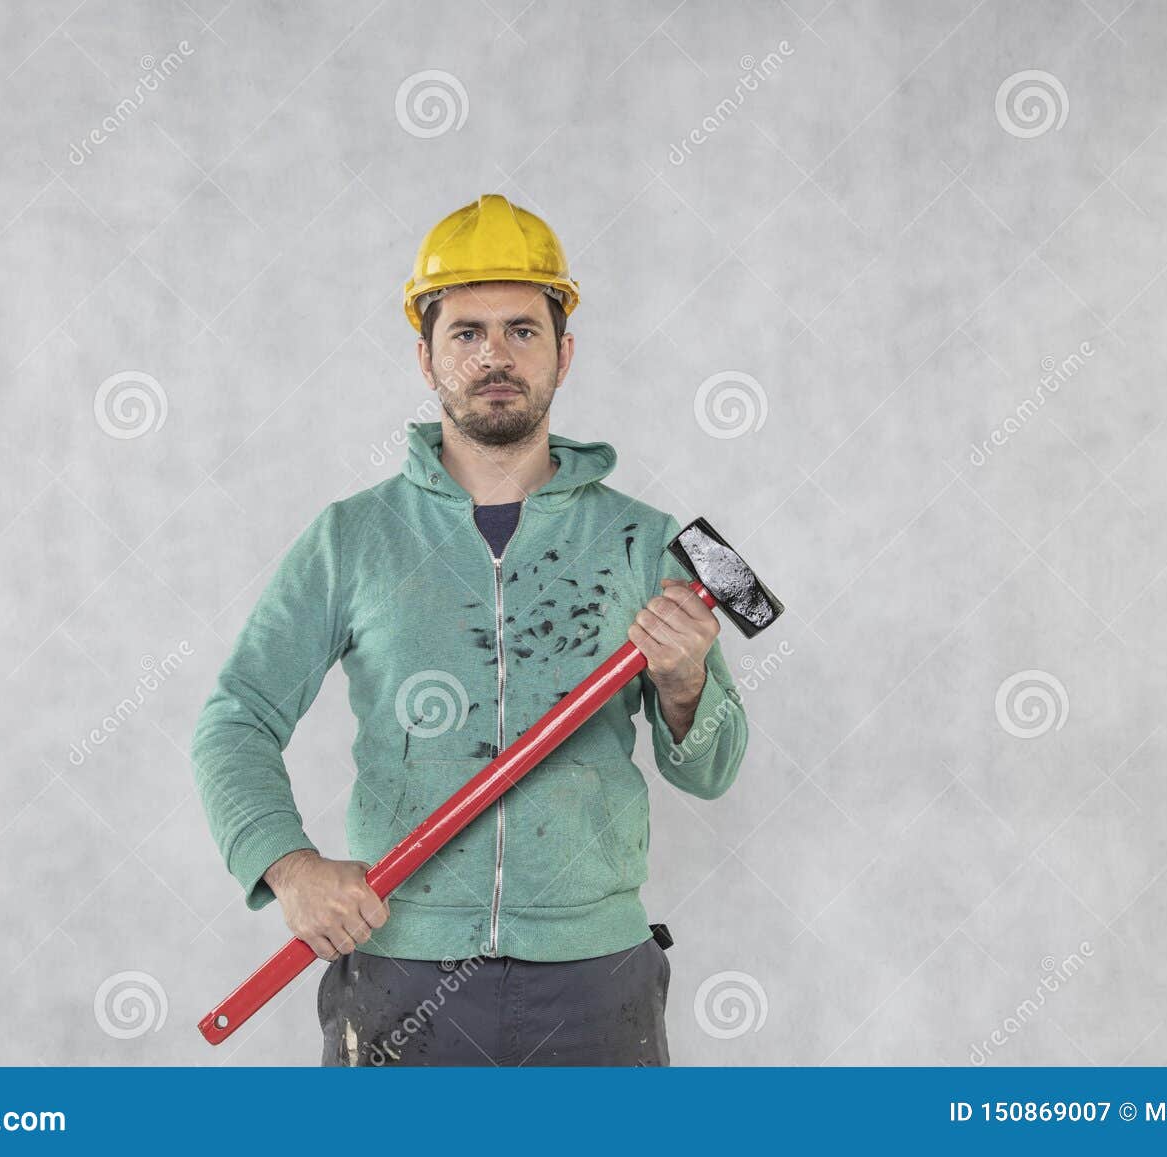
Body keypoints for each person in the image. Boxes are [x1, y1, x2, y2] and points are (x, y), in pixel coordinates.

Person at [190, 193, 750, 1065]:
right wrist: (289, 867)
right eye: (467, 332)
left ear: (565, 355)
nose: (496, 355)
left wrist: (684, 683)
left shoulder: (644, 540)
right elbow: (236, 717)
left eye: (524, 330)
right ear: (426, 357)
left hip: (594, 977)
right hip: (399, 969)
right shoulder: (354, 537)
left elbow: (713, 769)